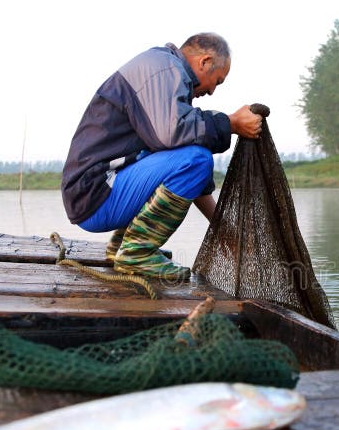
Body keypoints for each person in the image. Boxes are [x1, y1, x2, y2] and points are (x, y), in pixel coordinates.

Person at [60, 32, 262, 281]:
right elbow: (174, 137)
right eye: (217, 81)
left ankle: (122, 246)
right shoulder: (163, 69)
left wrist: (225, 233)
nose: (211, 91)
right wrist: (229, 123)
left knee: (193, 157)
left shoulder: (164, 73)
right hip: (95, 195)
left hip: (95, 193)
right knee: (197, 157)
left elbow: (187, 173)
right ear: (205, 62)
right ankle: (137, 253)